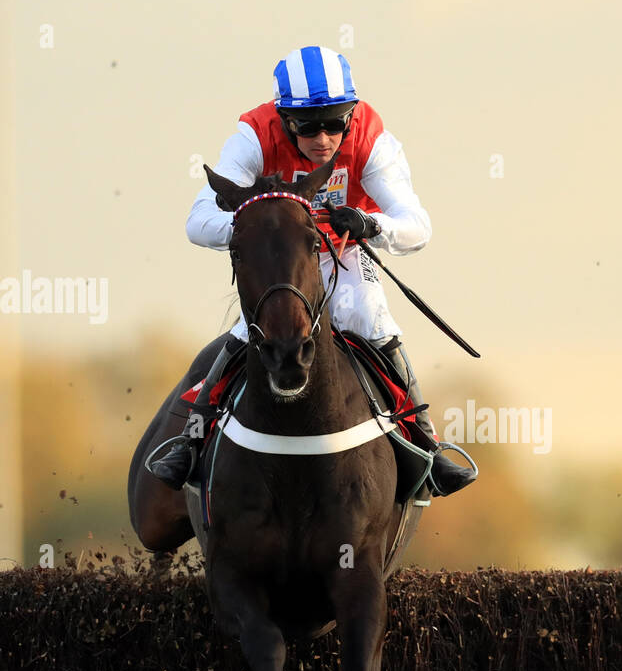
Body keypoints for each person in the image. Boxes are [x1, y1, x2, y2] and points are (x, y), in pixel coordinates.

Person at [149, 45, 476, 496]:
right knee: (251, 328)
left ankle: (427, 444)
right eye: (307, 126)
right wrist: (262, 229)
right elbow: (198, 222)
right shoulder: (253, 135)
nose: (323, 138)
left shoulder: (372, 139)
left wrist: (370, 224)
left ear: (351, 114)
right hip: (283, 258)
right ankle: (193, 438)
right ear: (284, 118)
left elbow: (418, 227)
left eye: (335, 122)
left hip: (343, 249)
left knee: (371, 318)